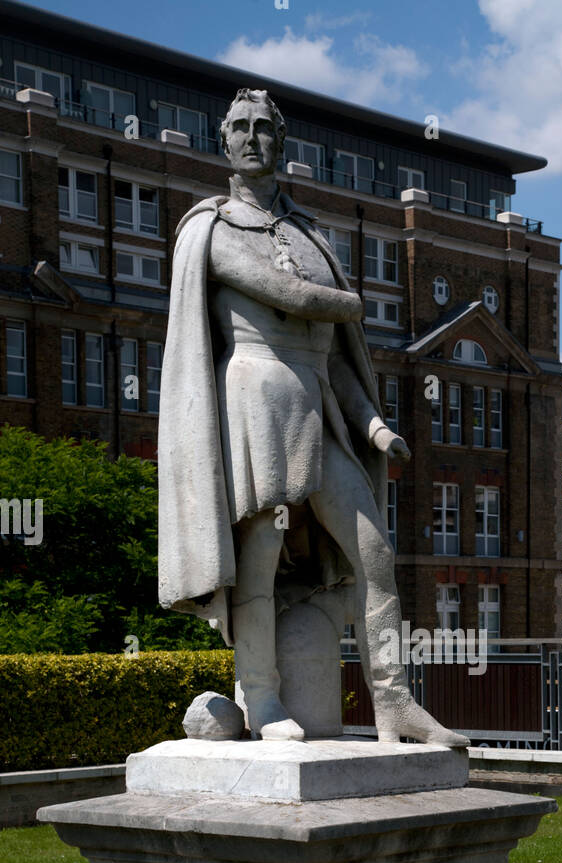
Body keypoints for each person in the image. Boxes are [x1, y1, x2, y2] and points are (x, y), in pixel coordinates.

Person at [158, 87, 467, 747]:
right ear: (222, 140)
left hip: (317, 411)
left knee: (375, 554)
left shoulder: (312, 236)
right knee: (261, 552)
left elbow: (335, 364)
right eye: (238, 127)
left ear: (282, 141)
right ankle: (263, 699)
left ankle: (394, 703)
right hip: (253, 402)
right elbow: (285, 292)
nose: (251, 139)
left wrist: (375, 426)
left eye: (264, 128)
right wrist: (353, 302)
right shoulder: (208, 229)